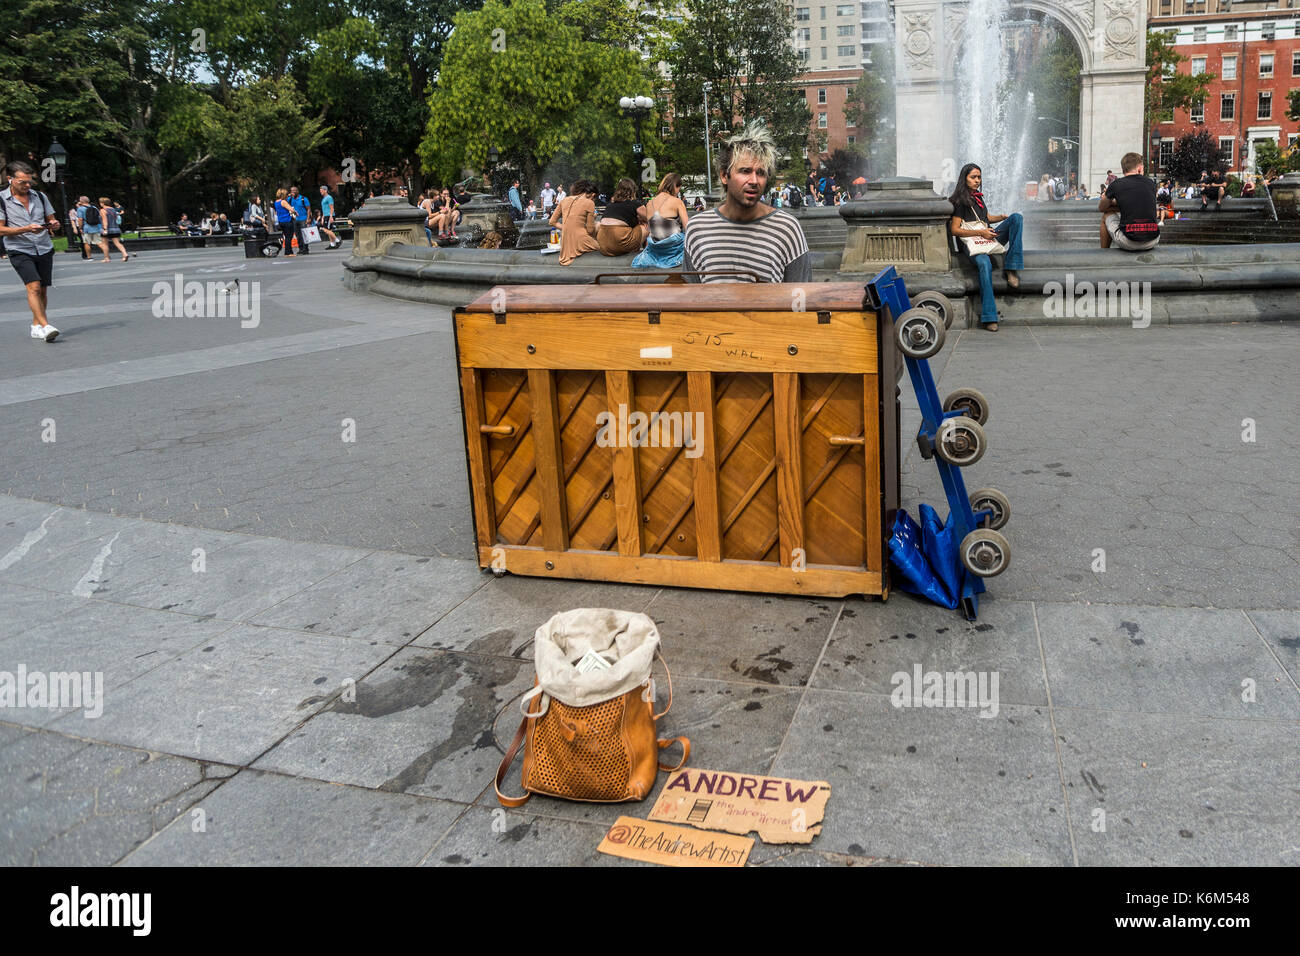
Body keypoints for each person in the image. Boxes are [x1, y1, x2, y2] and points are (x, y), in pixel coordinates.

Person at [682, 120, 811, 283]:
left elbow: (801, 299)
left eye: (761, 173)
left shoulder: (786, 229)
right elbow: (690, 299)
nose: (754, 180)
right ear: (724, 176)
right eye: (745, 171)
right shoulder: (697, 229)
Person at [948, 163, 1024, 332]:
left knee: (1017, 218)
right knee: (985, 264)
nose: (977, 180)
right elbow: (954, 229)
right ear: (964, 179)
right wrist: (982, 233)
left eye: (979, 177)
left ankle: (1011, 266)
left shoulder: (978, 196)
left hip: (985, 236)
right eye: (973, 177)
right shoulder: (960, 201)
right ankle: (989, 316)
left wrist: (1002, 217)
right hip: (971, 244)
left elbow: (985, 218)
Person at [1, 161, 62, 341]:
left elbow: (52, 221)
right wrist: (26, 229)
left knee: (42, 290)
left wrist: (54, 225)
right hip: (19, 248)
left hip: (43, 247)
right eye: (23, 182)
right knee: (33, 286)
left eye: (29, 182)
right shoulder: (1, 200)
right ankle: (46, 325)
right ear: (10, 179)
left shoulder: (40, 196)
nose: (27, 186)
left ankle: (36, 325)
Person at [1099, 151, 1159, 251]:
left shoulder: (1116, 184)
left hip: (1129, 241)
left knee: (1106, 215)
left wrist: (1113, 203)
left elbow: (1101, 208)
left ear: (1123, 170)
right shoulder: (1151, 183)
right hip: (1153, 239)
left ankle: (1104, 254)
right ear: (1140, 168)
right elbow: (1140, 204)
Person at [632, 172, 690, 269]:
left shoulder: (649, 203)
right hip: (672, 247)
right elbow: (687, 227)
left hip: (656, 248)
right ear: (675, 186)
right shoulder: (677, 202)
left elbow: (651, 227)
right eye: (678, 189)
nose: (677, 193)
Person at [548, 179, 600, 265]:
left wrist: (566, 228)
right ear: (593, 195)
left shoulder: (564, 200)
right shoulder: (589, 203)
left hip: (565, 243)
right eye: (594, 199)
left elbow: (552, 222)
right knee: (599, 227)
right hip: (582, 241)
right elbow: (590, 230)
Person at [597, 177, 647, 256]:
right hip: (619, 242)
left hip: (603, 245)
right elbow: (650, 218)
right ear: (633, 190)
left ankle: (635, 247)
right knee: (646, 225)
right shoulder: (634, 203)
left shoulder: (611, 204)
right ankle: (643, 251)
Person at [77, 195, 109, 260]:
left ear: (81, 201)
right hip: (96, 227)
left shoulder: (80, 208)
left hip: (86, 228)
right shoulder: (94, 207)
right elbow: (99, 217)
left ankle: (89, 257)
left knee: (86, 242)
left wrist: (80, 228)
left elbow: (80, 219)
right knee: (99, 242)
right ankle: (107, 255)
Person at [99, 196, 129, 262]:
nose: (100, 204)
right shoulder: (113, 209)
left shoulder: (103, 210)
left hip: (107, 229)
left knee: (105, 244)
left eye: (100, 202)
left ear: (103, 203)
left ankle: (107, 258)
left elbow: (105, 220)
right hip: (115, 228)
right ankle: (125, 254)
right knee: (117, 243)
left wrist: (105, 229)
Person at [273, 188, 300, 257]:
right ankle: (287, 252)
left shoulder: (276, 202)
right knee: (289, 237)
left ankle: (290, 252)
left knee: (287, 237)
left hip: (281, 221)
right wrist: (295, 212)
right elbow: (291, 209)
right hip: (287, 220)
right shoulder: (283, 202)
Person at [289, 186, 311, 254]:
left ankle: (305, 249)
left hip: (303, 219)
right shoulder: (290, 199)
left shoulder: (303, 199)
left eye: (294, 191)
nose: (292, 192)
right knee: (298, 235)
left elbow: (308, 209)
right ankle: (300, 248)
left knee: (304, 234)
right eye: (291, 191)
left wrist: (308, 218)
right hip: (295, 219)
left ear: (297, 191)